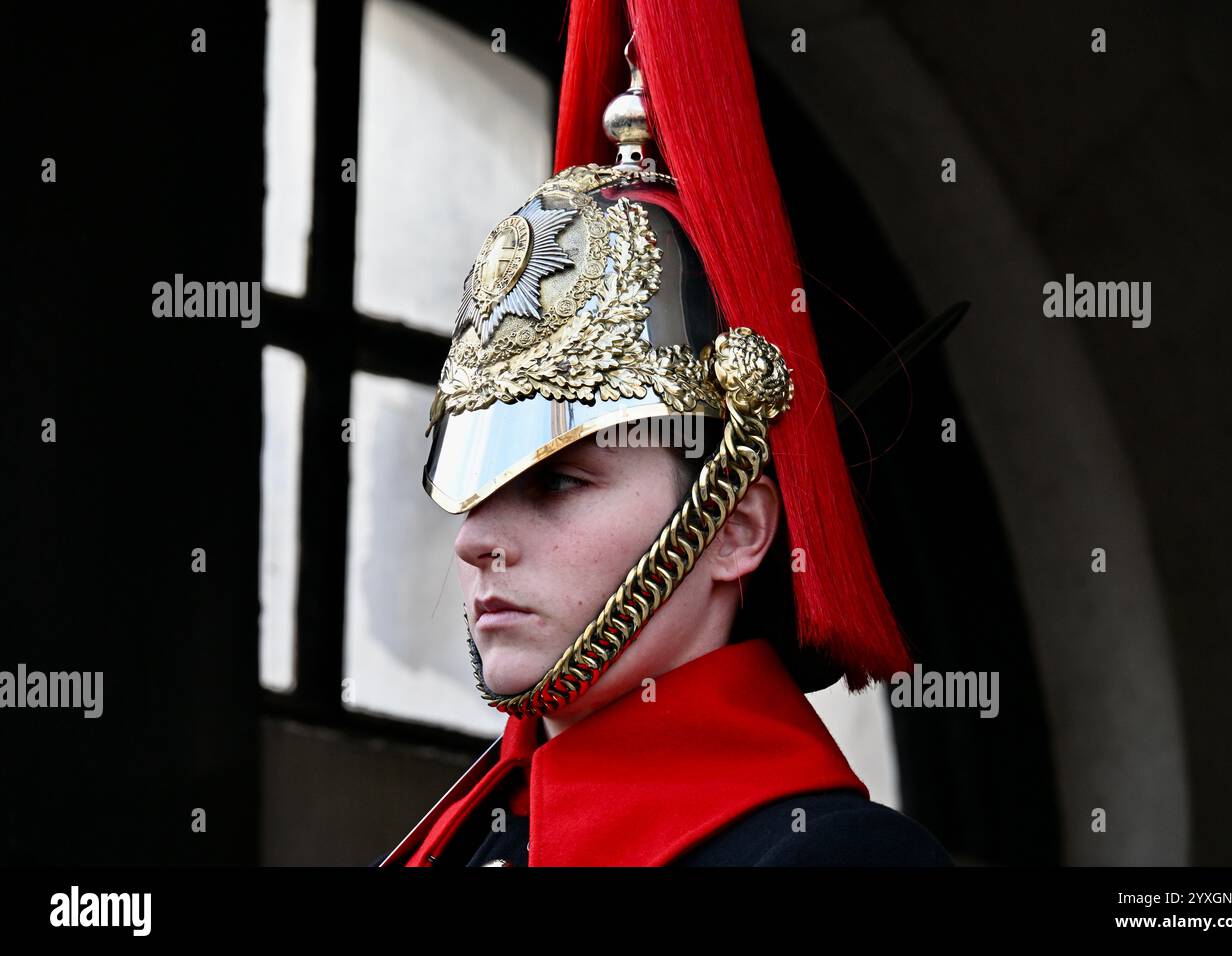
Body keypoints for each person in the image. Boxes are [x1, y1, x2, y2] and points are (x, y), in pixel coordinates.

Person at [376, 0, 951, 867]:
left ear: (735, 528)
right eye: (478, 489)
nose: (477, 540)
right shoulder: (467, 842)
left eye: (558, 482)